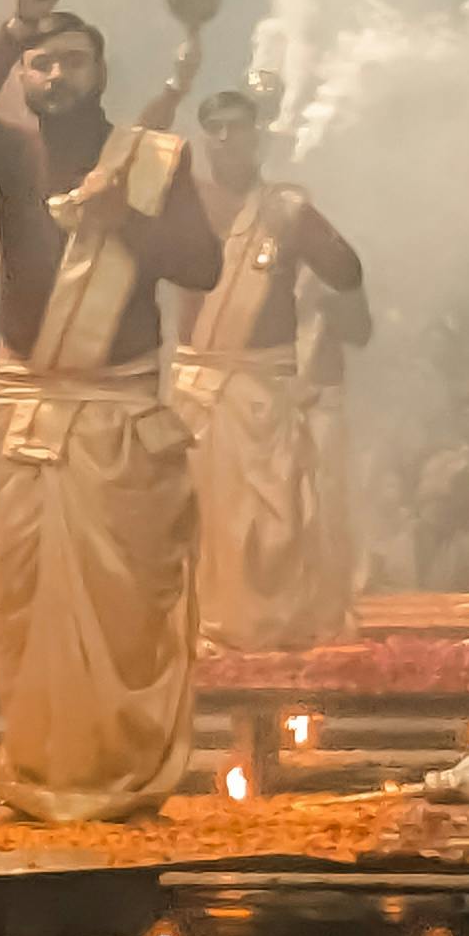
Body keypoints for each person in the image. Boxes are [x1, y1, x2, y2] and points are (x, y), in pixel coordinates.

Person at [0, 0, 221, 824]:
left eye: (71, 61)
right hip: (26, 408)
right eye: (42, 65)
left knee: (121, 607)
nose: (55, 76)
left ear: (101, 74)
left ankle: (117, 769)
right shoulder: (8, 153)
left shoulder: (151, 161)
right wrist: (13, 31)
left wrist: (123, 219)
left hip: (116, 418)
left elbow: (203, 266)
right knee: (25, 602)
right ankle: (38, 762)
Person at [158, 87, 368, 652]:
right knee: (197, 519)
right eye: (215, 127)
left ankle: (271, 635)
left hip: (262, 392)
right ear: (204, 138)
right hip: (197, 391)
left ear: (258, 136)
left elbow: (347, 273)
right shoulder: (182, 201)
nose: (227, 137)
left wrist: (302, 222)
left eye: (238, 126)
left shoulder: (284, 208)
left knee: (270, 524)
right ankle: (200, 631)